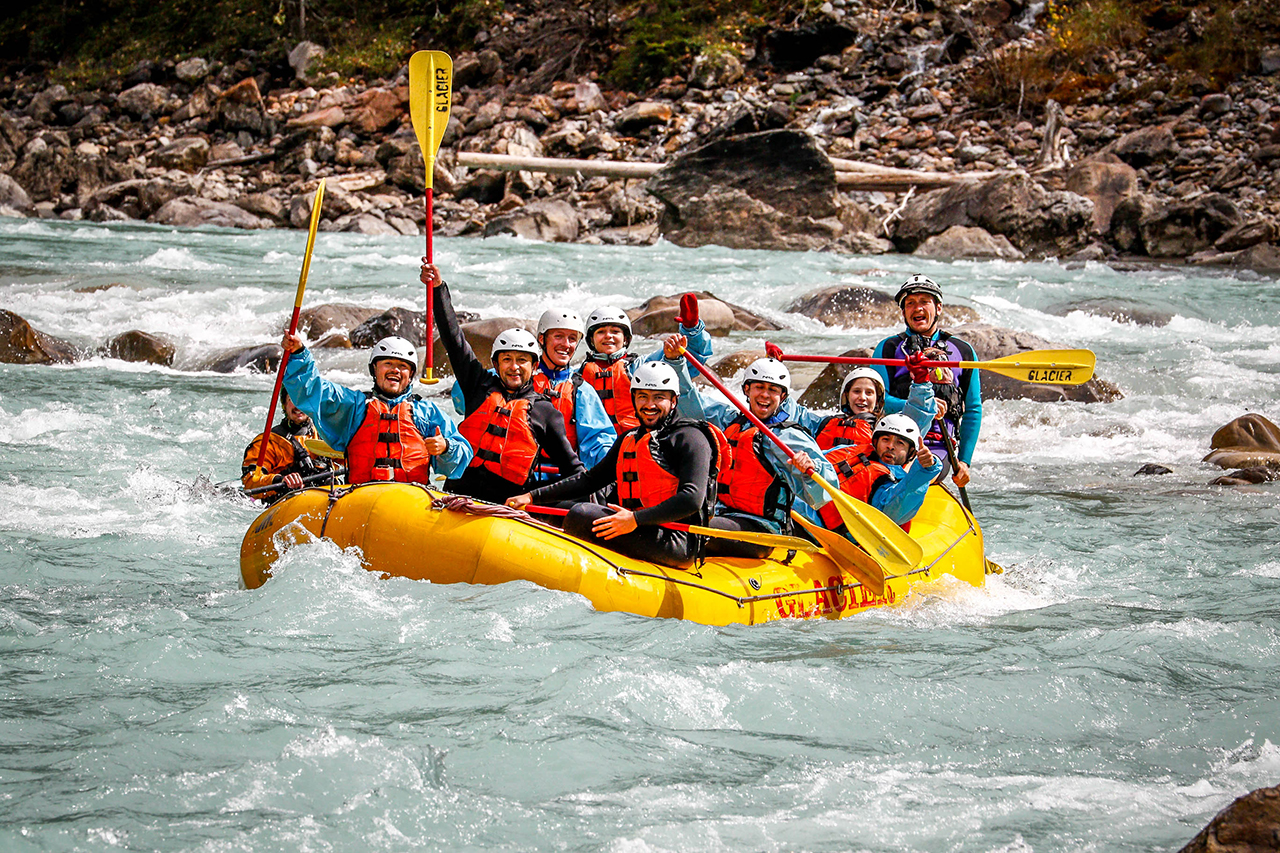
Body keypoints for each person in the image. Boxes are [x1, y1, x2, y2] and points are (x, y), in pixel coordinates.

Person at [506, 362, 727, 569]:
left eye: (658, 398)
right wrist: (532, 497)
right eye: (642, 397)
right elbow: (590, 480)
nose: (649, 405)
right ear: (633, 399)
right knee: (563, 508)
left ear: (674, 401)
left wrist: (635, 520)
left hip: (676, 539)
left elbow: (692, 498)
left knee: (581, 514)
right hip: (638, 527)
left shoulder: (691, 437)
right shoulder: (630, 438)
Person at [664, 338, 834, 558]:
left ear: (782, 396)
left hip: (761, 529)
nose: (764, 394)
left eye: (772, 390)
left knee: (691, 529)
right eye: (759, 387)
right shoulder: (729, 419)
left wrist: (811, 470)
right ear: (746, 389)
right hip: (721, 512)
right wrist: (674, 361)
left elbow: (825, 493)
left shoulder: (787, 437)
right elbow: (690, 402)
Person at [428, 264, 585, 503]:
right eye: (507, 360)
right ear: (496, 363)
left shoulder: (545, 412)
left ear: (534, 367)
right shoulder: (478, 385)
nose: (514, 367)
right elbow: (453, 338)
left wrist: (535, 496)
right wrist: (438, 288)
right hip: (457, 495)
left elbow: (575, 472)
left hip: (504, 509)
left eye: (522, 360)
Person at [280, 334, 472, 485]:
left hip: (412, 500)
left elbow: (463, 456)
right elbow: (312, 390)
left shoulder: (427, 413)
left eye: (402, 366)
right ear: (374, 369)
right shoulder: (353, 406)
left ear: (411, 374)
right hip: (362, 496)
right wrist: (299, 353)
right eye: (388, 363)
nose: (395, 370)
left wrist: (447, 447)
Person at [871, 274, 981, 487]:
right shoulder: (888, 348)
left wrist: (965, 461)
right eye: (910, 303)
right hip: (892, 441)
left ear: (938, 308)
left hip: (937, 445)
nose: (917, 308)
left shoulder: (963, 351)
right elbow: (877, 400)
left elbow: (973, 410)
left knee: (911, 474)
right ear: (903, 312)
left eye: (924, 302)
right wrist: (924, 407)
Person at [577, 295, 713, 434]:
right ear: (591, 340)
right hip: (596, 446)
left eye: (615, 331)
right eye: (601, 332)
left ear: (626, 339)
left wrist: (691, 330)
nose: (608, 336)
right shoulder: (577, 375)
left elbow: (690, 358)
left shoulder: (642, 366)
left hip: (639, 440)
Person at [240, 389, 337, 503]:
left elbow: (350, 457)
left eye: (303, 400)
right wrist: (280, 480)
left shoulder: (325, 435)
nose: (298, 405)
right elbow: (251, 482)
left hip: (327, 498)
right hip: (286, 504)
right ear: (284, 404)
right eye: (292, 399)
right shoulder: (267, 442)